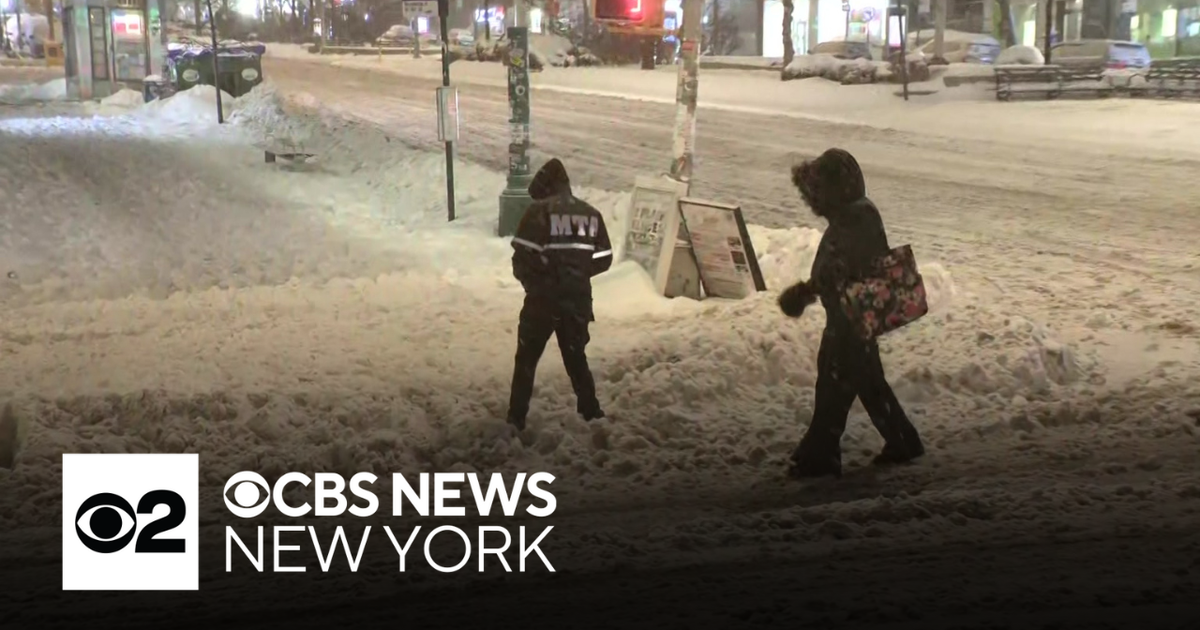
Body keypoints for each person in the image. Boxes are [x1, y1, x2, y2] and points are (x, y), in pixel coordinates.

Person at [778, 148, 925, 478]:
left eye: (818, 192)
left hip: (851, 319)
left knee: (835, 384)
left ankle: (822, 452)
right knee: (865, 383)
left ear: (834, 190)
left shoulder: (857, 218)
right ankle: (901, 440)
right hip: (847, 316)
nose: (814, 201)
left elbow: (846, 269)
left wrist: (808, 290)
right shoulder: (853, 214)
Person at [506, 158, 613, 431]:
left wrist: (536, 283)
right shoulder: (590, 214)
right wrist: (576, 274)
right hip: (577, 302)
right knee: (576, 359)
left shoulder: (539, 212)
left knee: (526, 360)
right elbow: (604, 258)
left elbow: (521, 260)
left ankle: (516, 418)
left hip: (542, 302)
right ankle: (591, 414)